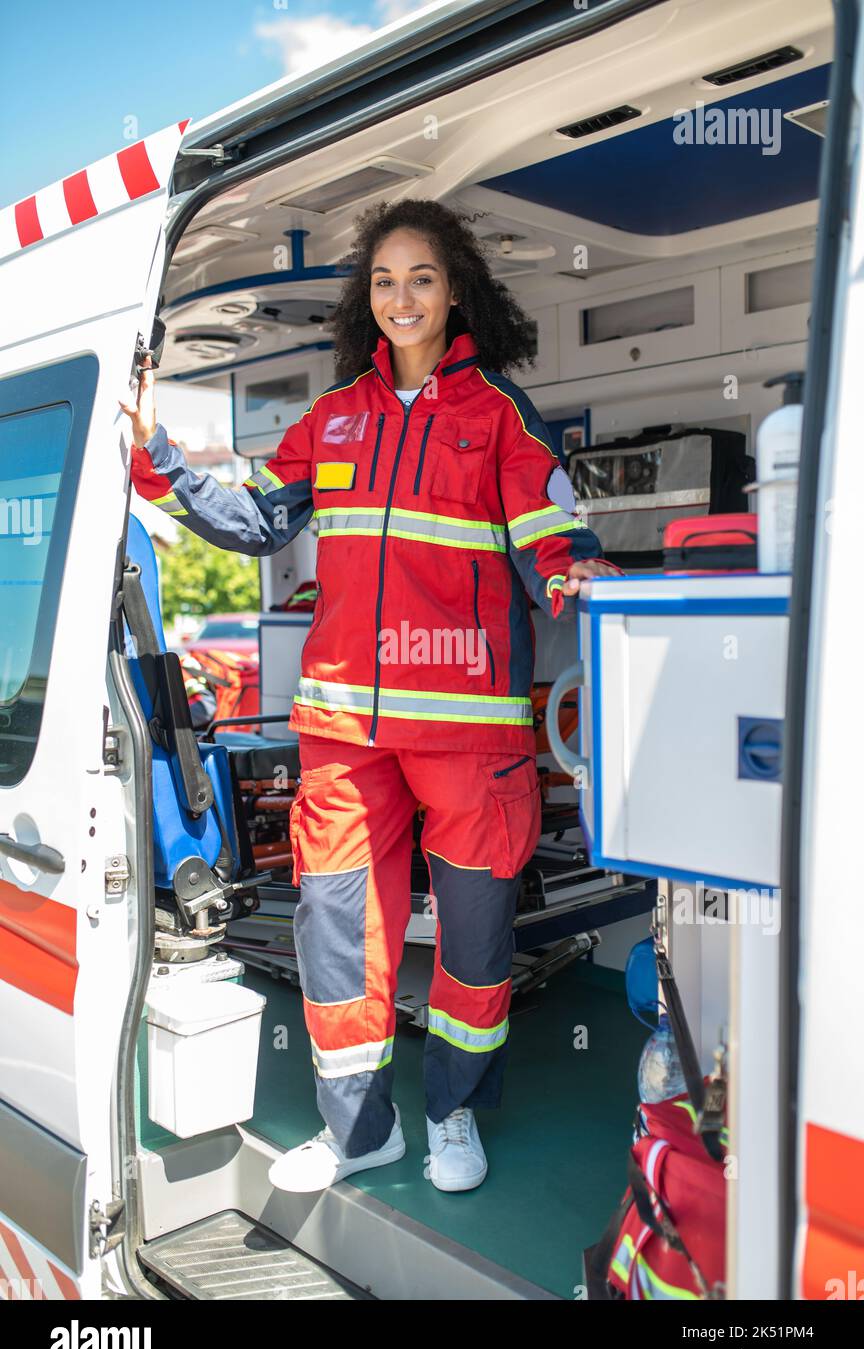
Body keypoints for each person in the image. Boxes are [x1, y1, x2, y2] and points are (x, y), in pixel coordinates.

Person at [121, 199, 621, 1195]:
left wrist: (579, 568)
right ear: (368, 298)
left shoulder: (498, 414)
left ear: (455, 291)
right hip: (345, 731)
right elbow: (259, 518)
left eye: (422, 278)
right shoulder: (335, 415)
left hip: (469, 734)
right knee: (340, 937)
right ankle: (360, 1131)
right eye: (385, 280)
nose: (402, 298)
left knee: (474, 942)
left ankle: (451, 1114)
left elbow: (552, 530)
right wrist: (159, 454)